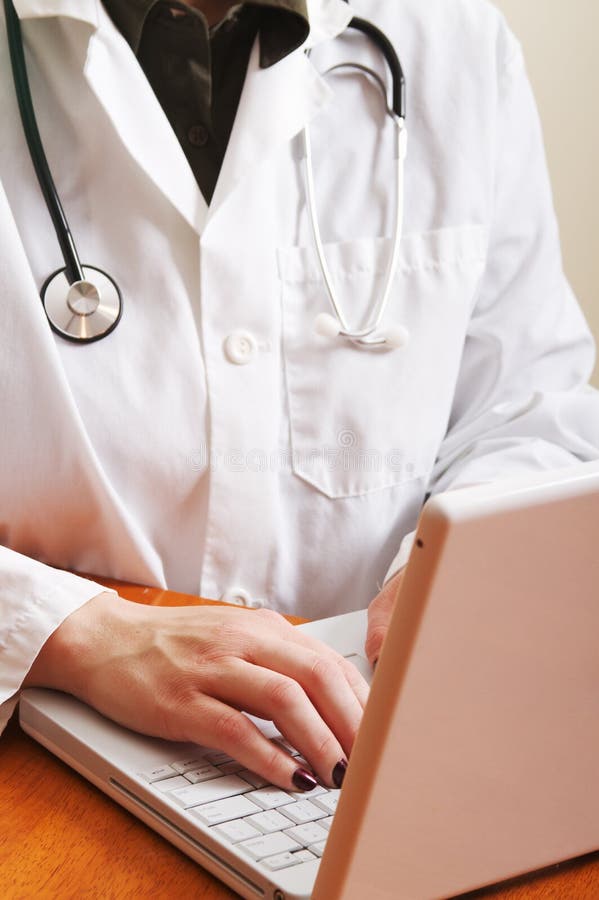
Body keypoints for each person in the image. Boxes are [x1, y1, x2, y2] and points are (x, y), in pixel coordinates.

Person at [1, 0, 598, 795]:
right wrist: (68, 632)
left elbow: (527, 398)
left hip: (368, 739)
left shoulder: (451, 35)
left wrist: (460, 565)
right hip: (43, 754)